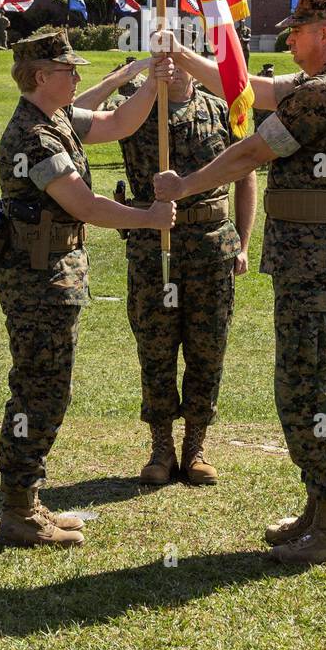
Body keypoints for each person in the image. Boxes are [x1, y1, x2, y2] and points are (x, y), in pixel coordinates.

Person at [154, 0, 326, 567]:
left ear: (322, 34)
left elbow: (251, 151)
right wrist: (185, 53)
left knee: (308, 388)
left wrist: (186, 185)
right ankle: (317, 511)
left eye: (296, 33)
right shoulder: (322, 81)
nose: (288, 42)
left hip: (316, 267)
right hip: (309, 264)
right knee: (299, 384)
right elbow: (256, 89)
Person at [0, 27, 175, 549]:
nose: (77, 77)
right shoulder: (35, 136)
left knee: (48, 387)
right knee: (39, 390)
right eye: (70, 70)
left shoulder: (54, 120)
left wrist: (151, 84)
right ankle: (19, 512)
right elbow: (86, 207)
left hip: (53, 273)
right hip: (38, 279)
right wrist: (150, 217)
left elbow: (119, 122)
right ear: (42, 76)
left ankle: (26, 504)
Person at [77, 60, 256, 486]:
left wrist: (244, 244)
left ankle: (196, 446)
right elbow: (72, 118)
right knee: (155, 349)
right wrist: (124, 79)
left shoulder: (222, 110)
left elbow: (246, 174)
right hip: (154, 247)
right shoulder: (136, 113)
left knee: (207, 348)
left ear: (196, 66)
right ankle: (161, 447)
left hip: (212, 246)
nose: (173, 69)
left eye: (180, 60)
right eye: (163, 61)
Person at [252, 62, 276, 131]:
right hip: (260, 114)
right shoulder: (260, 81)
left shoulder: (274, 81)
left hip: (270, 114)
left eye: (271, 72)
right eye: (268, 72)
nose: (270, 74)